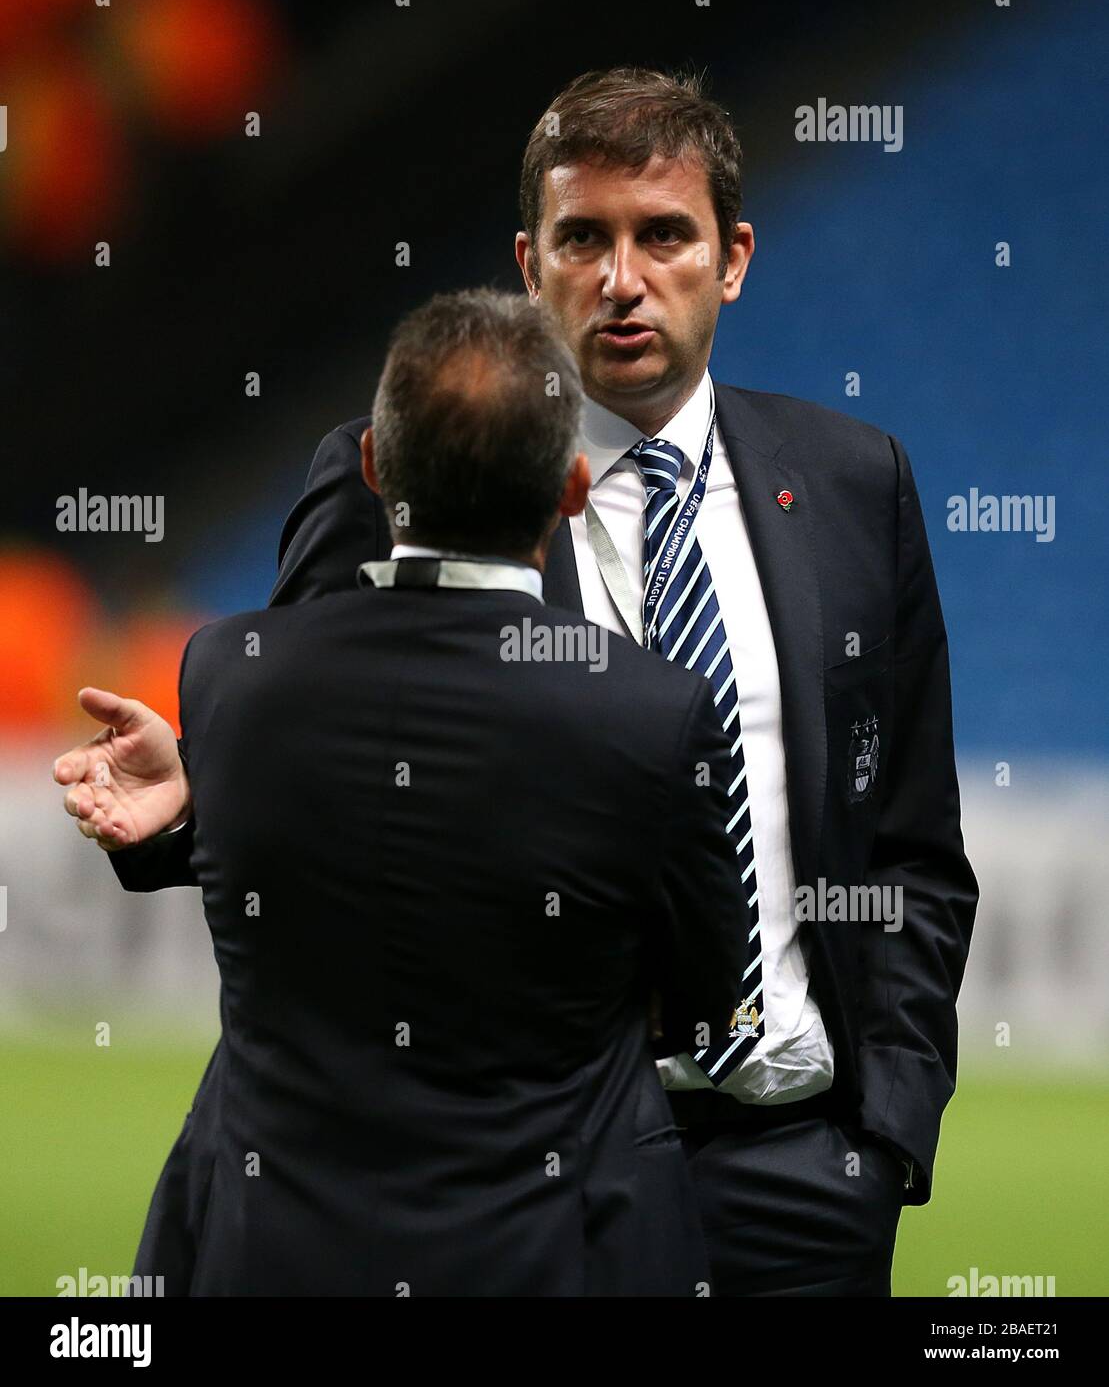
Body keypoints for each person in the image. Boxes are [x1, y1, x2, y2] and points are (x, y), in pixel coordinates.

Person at [57, 66, 978, 1297]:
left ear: (734, 256)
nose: (620, 278)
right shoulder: (387, 481)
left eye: (663, 236)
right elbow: (326, 771)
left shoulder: (856, 482)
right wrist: (190, 811)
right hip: (531, 1183)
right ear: (527, 263)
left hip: (795, 1173)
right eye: (582, 238)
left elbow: (912, 844)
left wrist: (884, 1133)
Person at [54, 288, 745, 1296]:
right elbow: (705, 1002)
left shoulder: (231, 673)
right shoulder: (653, 713)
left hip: (269, 1252)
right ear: (571, 485)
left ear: (374, 468)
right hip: (555, 1255)